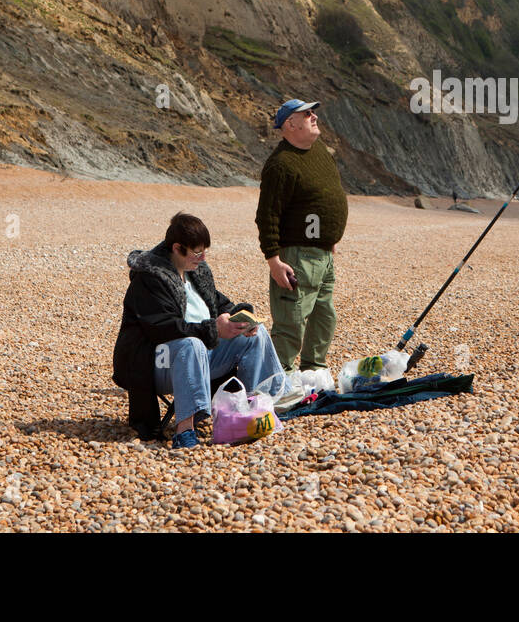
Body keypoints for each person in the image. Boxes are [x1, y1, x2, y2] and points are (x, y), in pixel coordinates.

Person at [112, 212, 285, 448]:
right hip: (155, 363)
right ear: (177, 248)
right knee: (190, 342)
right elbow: (162, 328)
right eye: (196, 252)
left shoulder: (197, 271)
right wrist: (213, 329)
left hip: (200, 354)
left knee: (256, 335)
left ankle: (252, 409)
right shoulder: (150, 278)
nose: (202, 257)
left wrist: (242, 318)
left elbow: (219, 303)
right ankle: (185, 431)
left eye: (205, 251)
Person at [255, 98, 348, 373]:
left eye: (313, 112)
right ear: (290, 124)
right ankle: (278, 378)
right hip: (297, 255)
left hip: (323, 254)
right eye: (307, 114)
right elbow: (267, 215)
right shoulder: (280, 164)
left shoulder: (319, 151)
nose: (314, 117)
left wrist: (327, 241)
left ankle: (313, 373)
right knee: (292, 321)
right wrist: (274, 261)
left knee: (323, 318)